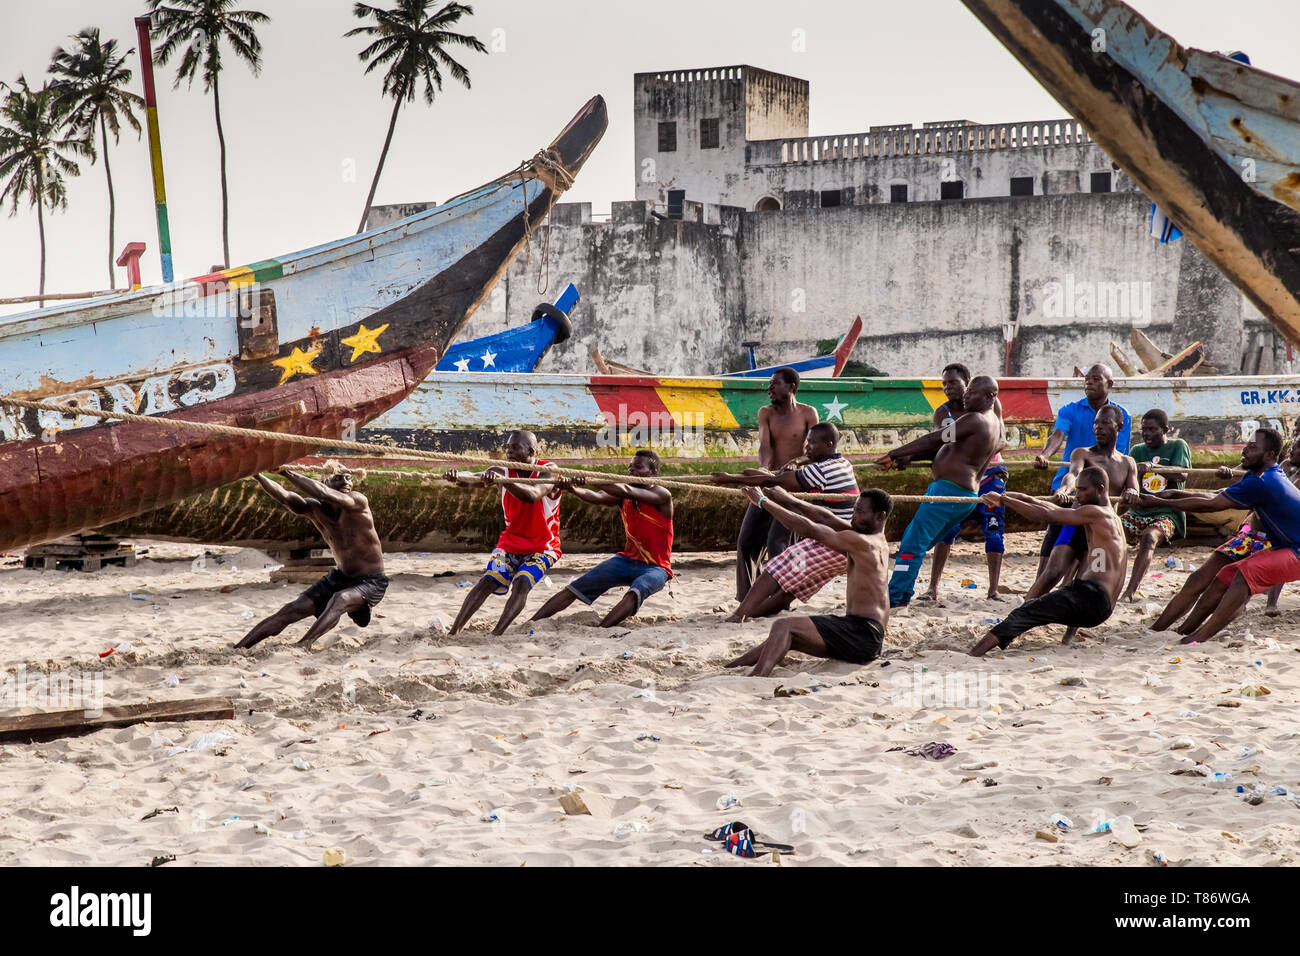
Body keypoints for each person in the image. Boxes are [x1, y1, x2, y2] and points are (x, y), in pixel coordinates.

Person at [1135, 427, 1300, 644]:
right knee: (1224, 576)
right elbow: (1217, 496)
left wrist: (1159, 502)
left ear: (1270, 454)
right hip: (1281, 545)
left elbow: (1212, 505)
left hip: (1295, 550)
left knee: (1244, 575)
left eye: (1252, 447)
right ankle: (1184, 631)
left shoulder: (1262, 481)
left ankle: (1199, 636)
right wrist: (1173, 494)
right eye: (1247, 445)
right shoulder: (1258, 475)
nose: (1245, 451)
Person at [725, 486, 892, 677]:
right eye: (854, 510)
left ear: (880, 516)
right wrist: (789, 499)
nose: (854, 517)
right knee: (786, 637)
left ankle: (758, 676)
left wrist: (763, 502)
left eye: (860, 512)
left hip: (862, 633)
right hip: (866, 636)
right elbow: (826, 518)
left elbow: (809, 529)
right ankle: (731, 667)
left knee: (783, 626)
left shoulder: (863, 543)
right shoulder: (876, 540)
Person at [970, 467, 1126, 655]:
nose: (1077, 494)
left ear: (1100, 489)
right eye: (1077, 489)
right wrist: (1019, 497)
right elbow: (1052, 509)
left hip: (1091, 598)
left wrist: (1004, 501)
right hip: (1103, 606)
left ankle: (974, 654)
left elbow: (1046, 516)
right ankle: (1010, 637)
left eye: (1083, 489)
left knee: (1023, 612)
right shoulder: (1111, 517)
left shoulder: (1095, 513)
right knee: (1031, 610)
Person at [876, 375, 1002, 607]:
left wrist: (894, 453)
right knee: (919, 544)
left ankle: (893, 597)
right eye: (967, 391)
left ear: (989, 396)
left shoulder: (975, 419)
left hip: (948, 491)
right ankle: (902, 594)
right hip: (964, 495)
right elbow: (949, 448)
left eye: (972, 392)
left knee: (912, 544)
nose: (966, 396)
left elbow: (935, 439)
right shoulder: (993, 421)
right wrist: (910, 456)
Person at [713, 422, 859, 621]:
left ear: (829, 445)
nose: (807, 448)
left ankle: (738, 615)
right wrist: (763, 474)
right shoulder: (843, 463)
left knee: (774, 569)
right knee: (790, 590)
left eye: (812, 444)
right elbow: (777, 479)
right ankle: (754, 611)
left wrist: (730, 478)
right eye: (807, 442)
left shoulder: (821, 471)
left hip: (833, 544)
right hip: (847, 543)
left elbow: (775, 482)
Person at [235, 462, 387, 650]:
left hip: (371, 581)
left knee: (341, 599)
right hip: (340, 577)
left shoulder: (357, 501)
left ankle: (302, 645)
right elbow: (286, 497)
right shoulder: (315, 508)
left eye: (348, 477)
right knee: (292, 610)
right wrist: (256, 473)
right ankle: (239, 648)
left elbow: (324, 493)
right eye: (338, 477)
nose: (345, 481)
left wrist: (286, 472)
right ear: (325, 481)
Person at [530, 450, 673, 628]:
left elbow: (626, 490)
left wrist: (590, 478)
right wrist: (573, 488)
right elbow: (597, 497)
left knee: (636, 591)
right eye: (630, 467)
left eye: (638, 467)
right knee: (576, 587)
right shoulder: (623, 495)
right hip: (627, 560)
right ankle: (530, 623)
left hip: (657, 567)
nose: (631, 471)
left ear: (653, 473)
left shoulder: (662, 494)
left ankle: (603, 628)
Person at [445, 430, 561, 636]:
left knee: (522, 583)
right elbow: (472, 479)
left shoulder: (549, 471)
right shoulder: (501, 471)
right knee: (487, 581)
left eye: (515, 448)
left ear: (531, 451)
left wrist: (503, 481)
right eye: (507, 448)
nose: (508, 452)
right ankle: (454, 632)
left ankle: (496, 634)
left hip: (543, 547)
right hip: (510, 543)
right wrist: (456, 476)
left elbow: (532, 495)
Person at [1025, 405, 1138, 600]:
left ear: (1119, 426)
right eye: (1096, 423)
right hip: (1076, 524)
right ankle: (1023, 611)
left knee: (1086, 582)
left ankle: (1068, 622)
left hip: (1101, 532)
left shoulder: (1127, 463)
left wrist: (1132, 492)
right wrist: (1064, 490)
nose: (1098, 428)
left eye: (1105, 423)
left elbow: (1134, 489)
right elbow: (1073, 474)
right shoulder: (1082, 453)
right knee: (1052, 573)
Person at [1032, 364, 1131, 579]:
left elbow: (1119, 455)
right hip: (1071, 486)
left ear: (1109, 384)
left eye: (1096, 379)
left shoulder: (1122, 415)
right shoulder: (1070, 410)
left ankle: (1076, 584)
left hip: (1101, 492)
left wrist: (1125, 491)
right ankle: (1041, 581)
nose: (1089, 383)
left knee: (1092, 545)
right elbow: (1058, 435)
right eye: (1087, 379)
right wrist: (1045, 455)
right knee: (1056, 535)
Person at [731, 367, 819, 601]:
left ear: (791, 387)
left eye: (775, 383)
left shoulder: (808, 413)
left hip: (794, 486)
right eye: (770, 383)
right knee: (746, 540)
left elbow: (814, 451)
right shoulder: (766, 413)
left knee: (777, 543)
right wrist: (763, 468)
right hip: (768, 483)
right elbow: (765, 446)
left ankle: (780, 597)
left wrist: (796, 462)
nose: (769, 387)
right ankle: (747, 596)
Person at [923, 363, 1009, 601]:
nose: (947, 388)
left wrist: (979, 448)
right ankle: (932, 587)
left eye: (953, 383)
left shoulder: (991, 403)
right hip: (960, 479)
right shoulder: (943, 413)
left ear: (968, 383)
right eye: (944, 384)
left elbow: (1001, 439)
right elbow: (943, 442)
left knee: (993, 529)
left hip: (990, 475)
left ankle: (993, 589)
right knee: (947, 530)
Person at [1119, 409, 1192, 601]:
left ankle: (1130, 591)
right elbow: (1129, 481)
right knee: (1111, 531)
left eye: (1152, 429)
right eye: (1144, 429)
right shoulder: (1137, 451)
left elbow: (1182, 474)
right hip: (1139, 511)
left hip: (1168, 512)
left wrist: (1153, 467)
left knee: (1149, 537)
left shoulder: (1178, 445)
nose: (1147, 434)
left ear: (1165, 430)